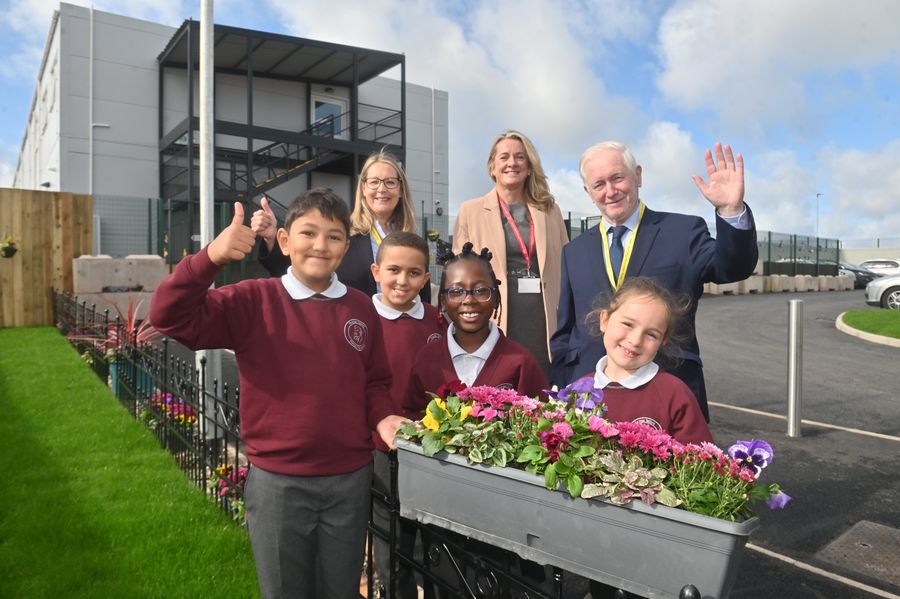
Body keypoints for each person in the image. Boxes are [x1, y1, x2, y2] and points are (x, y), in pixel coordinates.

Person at [149, 189, 407, 599]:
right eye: (308, 233)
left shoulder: (361, 308)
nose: (320, 245)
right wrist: (209, 258)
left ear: (346, 246)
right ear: (284, 241)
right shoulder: (253, 299)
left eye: (334, 236)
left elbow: (374, 381)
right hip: (278, 483)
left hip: (349, 480)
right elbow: (168, 316)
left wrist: (382, 417)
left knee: (340, 591)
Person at [551, 141, 758, 421]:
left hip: (665, 394)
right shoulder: (574, 252)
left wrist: (731, 212)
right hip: (590, 399)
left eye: (618, 178)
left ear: (637, 175)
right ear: (588, 192)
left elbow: (732, 268)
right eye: (598, 184)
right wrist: (564, 389)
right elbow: (566, 331)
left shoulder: (683, 232)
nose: (610, 191)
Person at [405, 242, 549, 597]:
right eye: (456, 291)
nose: (469, 300)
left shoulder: (520, 361)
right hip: (443, 507)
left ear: (497, 298)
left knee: (497, 585)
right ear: (443, 302)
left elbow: (543, 432)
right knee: (447, 582)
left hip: (503, 511)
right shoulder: (427, 359)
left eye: (481, 290)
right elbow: (409, 415)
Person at [453, 130, 569, 374]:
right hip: (496, 313)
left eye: (520, 157)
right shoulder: (470, 210)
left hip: (542, 314)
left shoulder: (550, 210)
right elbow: (457, 273)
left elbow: (566, 262)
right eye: (504, 157)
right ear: (492, 166)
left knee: (540, 387)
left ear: (529, 167)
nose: (512, 163)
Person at [368, 231, 444, 599]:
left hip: (428, 448)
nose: (402, 280)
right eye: (393, 270)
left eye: (414, 273)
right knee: (391, 538)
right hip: (379, 449)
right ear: (376, 271)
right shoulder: (361, 316)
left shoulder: (435, 321)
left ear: (426, 279)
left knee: (431, 537)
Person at [253, 150, 431, 302]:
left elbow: (424, 300)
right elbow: (298, 273)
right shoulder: (342, 235)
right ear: (363, 189)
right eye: (374, 182)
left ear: (401, 190)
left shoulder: (413, 242)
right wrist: (271, 237)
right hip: (351, 331)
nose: (382, 189)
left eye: (390, 182)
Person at [589, 277, 713, 444]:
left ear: (663, 340)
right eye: (628, 324)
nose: (636, 340)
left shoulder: (675, 394)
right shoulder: (577, 392)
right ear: (604, 320)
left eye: (651, 334)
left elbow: (702, 462)